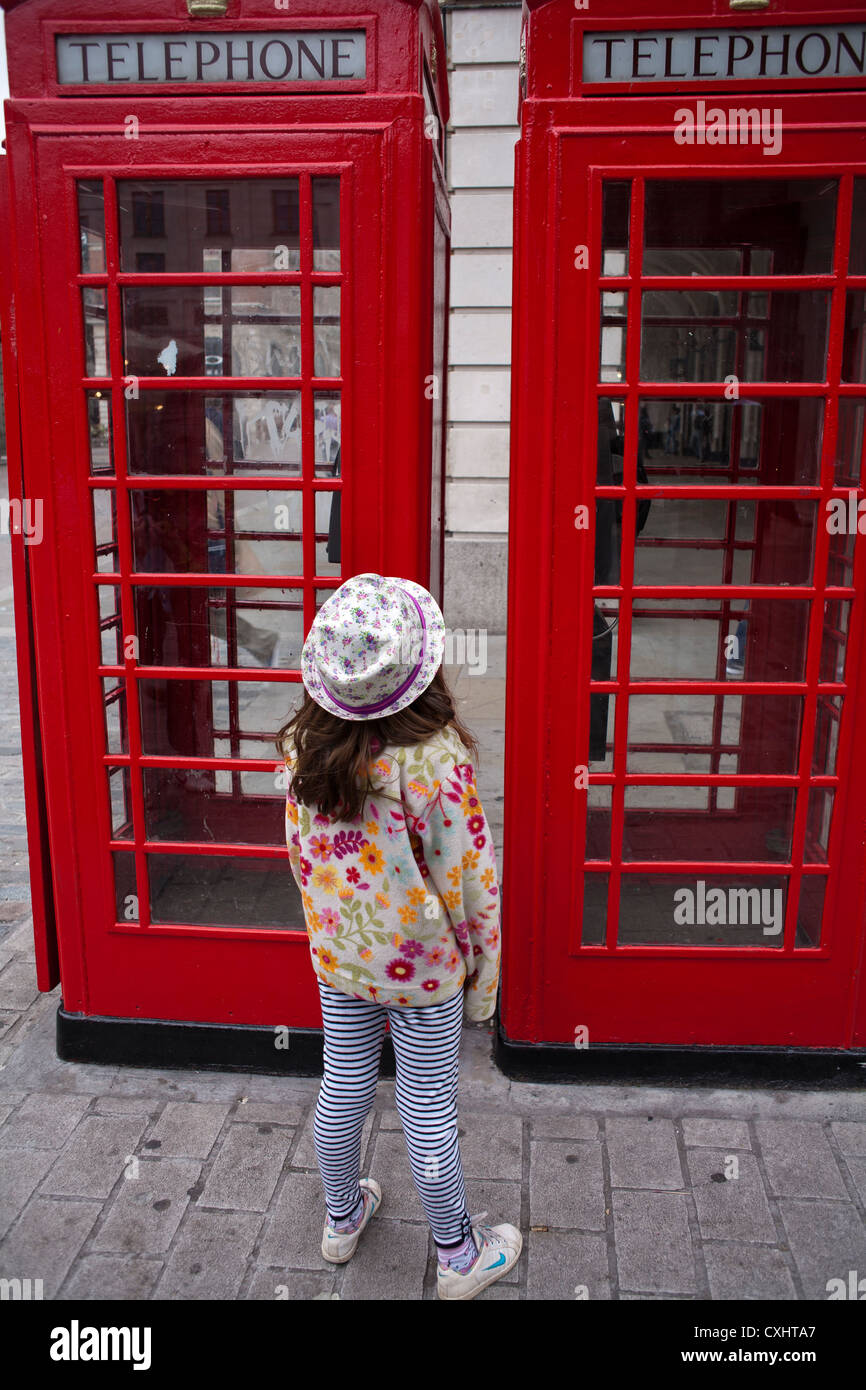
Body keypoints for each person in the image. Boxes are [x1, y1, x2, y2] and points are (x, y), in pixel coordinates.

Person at [276, 572, 522, 1300]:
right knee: (427, 1110)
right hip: (423, 972)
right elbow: (470, 883)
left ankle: (342, 1218)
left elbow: (299, 857)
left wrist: (327, 930)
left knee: (342, 1087)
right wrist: (484, 981)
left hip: (340, 956)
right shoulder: (436, 759)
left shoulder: (300, 745)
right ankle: (457, 1256)